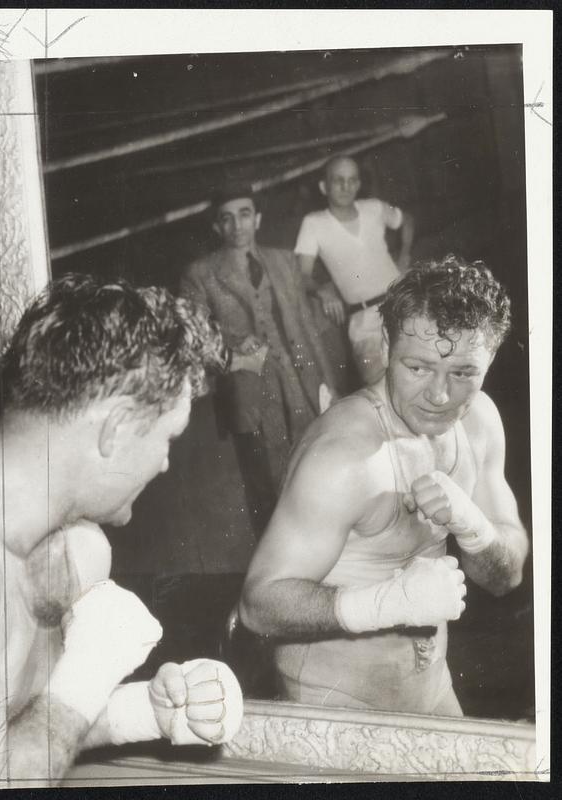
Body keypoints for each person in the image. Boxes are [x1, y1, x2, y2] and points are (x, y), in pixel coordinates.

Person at [0, 274, 244, 789]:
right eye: (168, 439)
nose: (166, 465)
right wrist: (91, 671)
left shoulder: (74, 553)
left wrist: (135, 714)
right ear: (116, 429)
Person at [240, 256, 529, 715]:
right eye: (418, 368)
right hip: (332, 706)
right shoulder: (343, 456)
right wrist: (384, 604)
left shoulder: (479, 424)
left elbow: (506, 576)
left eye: (462, 373)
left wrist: (475, 528)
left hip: (431, 691)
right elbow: (258, 606)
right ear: (387, 343)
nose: (438, 396)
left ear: (489, 360)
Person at [181, 180, 339, 536]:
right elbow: (193, 335)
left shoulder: (284, 261)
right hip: (250, 390)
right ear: (216, 227)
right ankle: (276, 560)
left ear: (258, 219)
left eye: (245, 215)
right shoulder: (200, 274)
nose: (237, 226)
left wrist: (329, 384)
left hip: (302, 381)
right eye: (227, 219)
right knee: (265, 479)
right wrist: (235, 339)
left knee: (315, 464)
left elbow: (307, 330)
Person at [295, 154, 415, 386]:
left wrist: (405, 253)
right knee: (381, 395)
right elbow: (302, 275)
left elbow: (407, 219)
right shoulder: (313, 223)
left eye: (351, 180)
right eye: (338, 180)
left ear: (359, 184)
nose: (345, 186)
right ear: (324, 186)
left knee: (424, 380)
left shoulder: (375, 208)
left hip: (406, 305)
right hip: (364, 324)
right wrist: (323, 291)